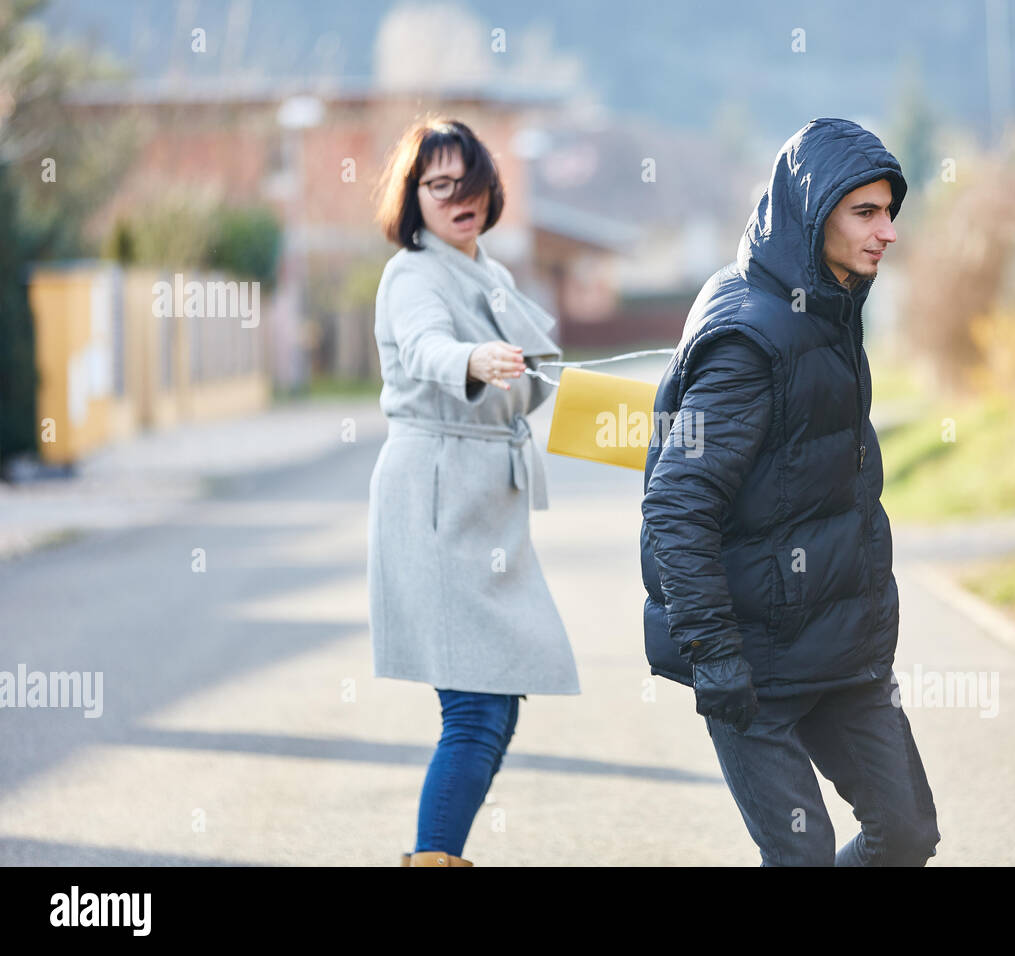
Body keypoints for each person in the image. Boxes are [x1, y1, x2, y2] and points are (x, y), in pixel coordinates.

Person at [640, 117, 941, 866]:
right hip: (751, 662)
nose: (886, 233)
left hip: (843, 652)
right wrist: (714, 654)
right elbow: (677, 502)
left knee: (905, 835)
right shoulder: (750, 338)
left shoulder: (832, 305)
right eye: (864, 213)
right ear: (813, 215)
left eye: (888, 213)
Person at [368, 116, 580, 868]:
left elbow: (542, 377)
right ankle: (434, 857)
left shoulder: (492, 273)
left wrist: (645, 427)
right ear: (414, 196)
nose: (459, 197)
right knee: (477, 705)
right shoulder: (412, 275)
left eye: (472, 182)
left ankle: (437, 853)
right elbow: (426, 346)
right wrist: (474, 358)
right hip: (436, 499)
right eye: (439, 185)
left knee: (493, 700)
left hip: (484, 499)